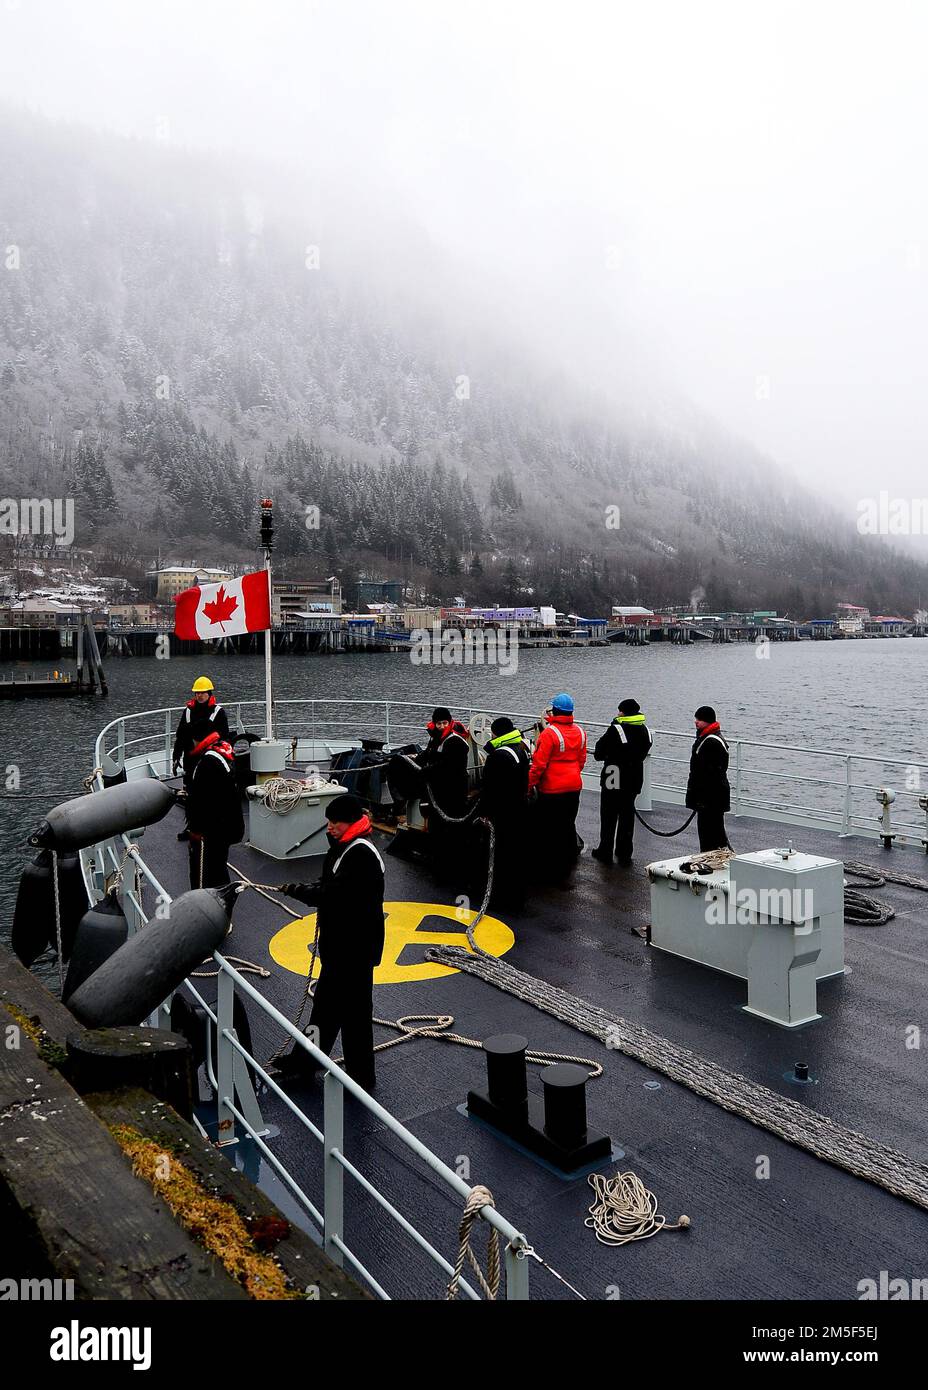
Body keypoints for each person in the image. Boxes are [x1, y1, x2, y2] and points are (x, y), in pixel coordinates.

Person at [278, 793, 386, 1093]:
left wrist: (298, 891)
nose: (329, 827)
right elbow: (331, 886)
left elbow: (335, 894)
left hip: (354, 951)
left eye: (334, 822)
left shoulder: (361, 855)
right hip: (341, 949)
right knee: (325, 1010)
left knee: (355, 1017)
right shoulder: (345, 849)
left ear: (349, 823)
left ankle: (361, 1077)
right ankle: (306, 1061)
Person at [528, 693, 587, 882]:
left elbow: (538, 765)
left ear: (554, 710)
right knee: (568, 823)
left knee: (550, 827)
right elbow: (582, 760)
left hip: (552, 789)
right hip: (574, 785)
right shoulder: (581, 732)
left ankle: (550, 867)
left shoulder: (549, 733)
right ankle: (568, 859)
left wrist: (528, 786)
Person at [478, 716, 531, 909]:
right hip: (519, 808)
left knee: (501, 853)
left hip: (503, 812)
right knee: (516, 851)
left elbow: (489, 788)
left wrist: (483, 813)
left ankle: (501, 896)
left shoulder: (498, 755)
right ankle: (517, 892)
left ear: (495, 733)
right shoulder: (520, 750)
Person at [592, 698, 652, 864]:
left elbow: (599, 751)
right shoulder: (645, 730)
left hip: (614, 775)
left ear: (623, 712)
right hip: (634, 777)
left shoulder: (616, 729)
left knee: (609, 814)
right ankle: (624, 852)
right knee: (627, 814)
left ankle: (605, 850)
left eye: (619, 711)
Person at [172, 676, 231, 841]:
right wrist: (176, 756)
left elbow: (224, 738)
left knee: (211, 795)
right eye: (197, 693)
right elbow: (181, 735)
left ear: (209, 693)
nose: (199, 696)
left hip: (210, 762)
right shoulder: (188, 712)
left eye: (202, 693)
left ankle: (213, 827)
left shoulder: (218, 713)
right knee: (191, 796)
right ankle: (191, 827)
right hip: (191, 761)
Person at [184, 731, 245, 888]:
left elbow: (201, 800)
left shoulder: (207, 763)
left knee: (208, 873)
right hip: (228, 826)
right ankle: (223, 899)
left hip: (213, 832)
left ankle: (210, 905)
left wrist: (195, 831)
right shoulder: (223, 755)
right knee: (219, 866)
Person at [420, 707, 471, 875]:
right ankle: (438, 856)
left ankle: (449, 861)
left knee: (449, 822)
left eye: (444, 723)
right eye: (439, 723)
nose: (441, 726)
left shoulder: (455, 742)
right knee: (438, 822)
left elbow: (449, 767)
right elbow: (429, 754)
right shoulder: (436, 738)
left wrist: (427, 770)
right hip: (438, 789)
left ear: (450, 722)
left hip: (452, 790)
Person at [685, 705, 732, 851]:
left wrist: (701, 796)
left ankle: (710, 859)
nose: (696, 722)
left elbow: (710, 773)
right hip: (712, 796)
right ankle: (713, 857)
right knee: (713, 831)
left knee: (709, 832)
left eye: (699, 719)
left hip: (710, 797)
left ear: (707, 721)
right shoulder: (708, 738)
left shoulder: (711, 742)